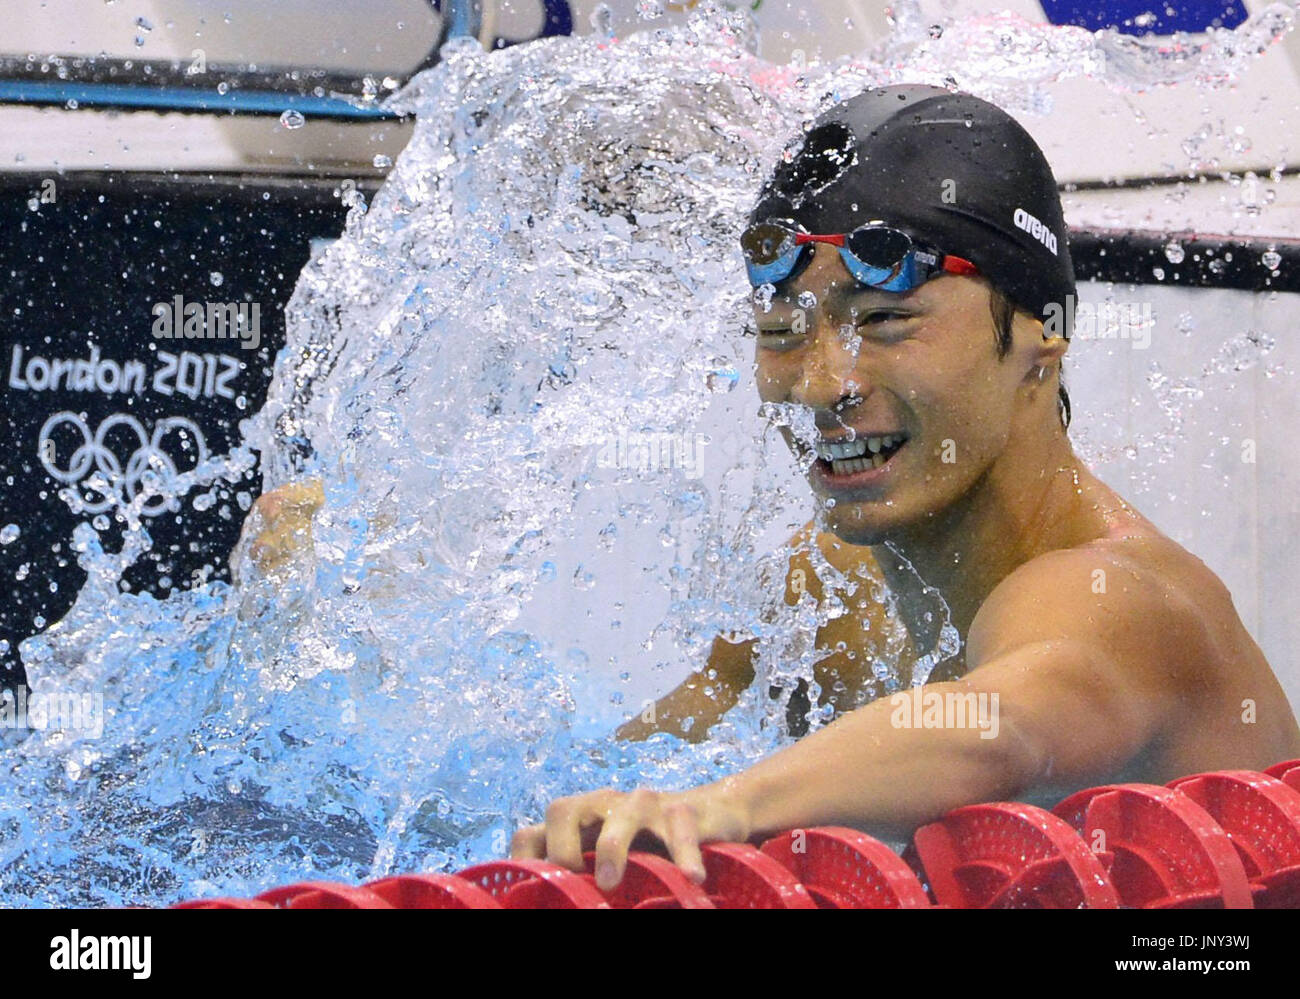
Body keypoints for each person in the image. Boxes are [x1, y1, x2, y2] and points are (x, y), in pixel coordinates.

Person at [239, 85, 1300, 893]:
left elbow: (998, 730)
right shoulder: (826, 589)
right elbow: (590, 803)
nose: (825, 384)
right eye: (782, 327)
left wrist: (725, 808)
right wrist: (313, 666)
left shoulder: (1122, 601)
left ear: (1041, 340)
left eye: (887, 321)